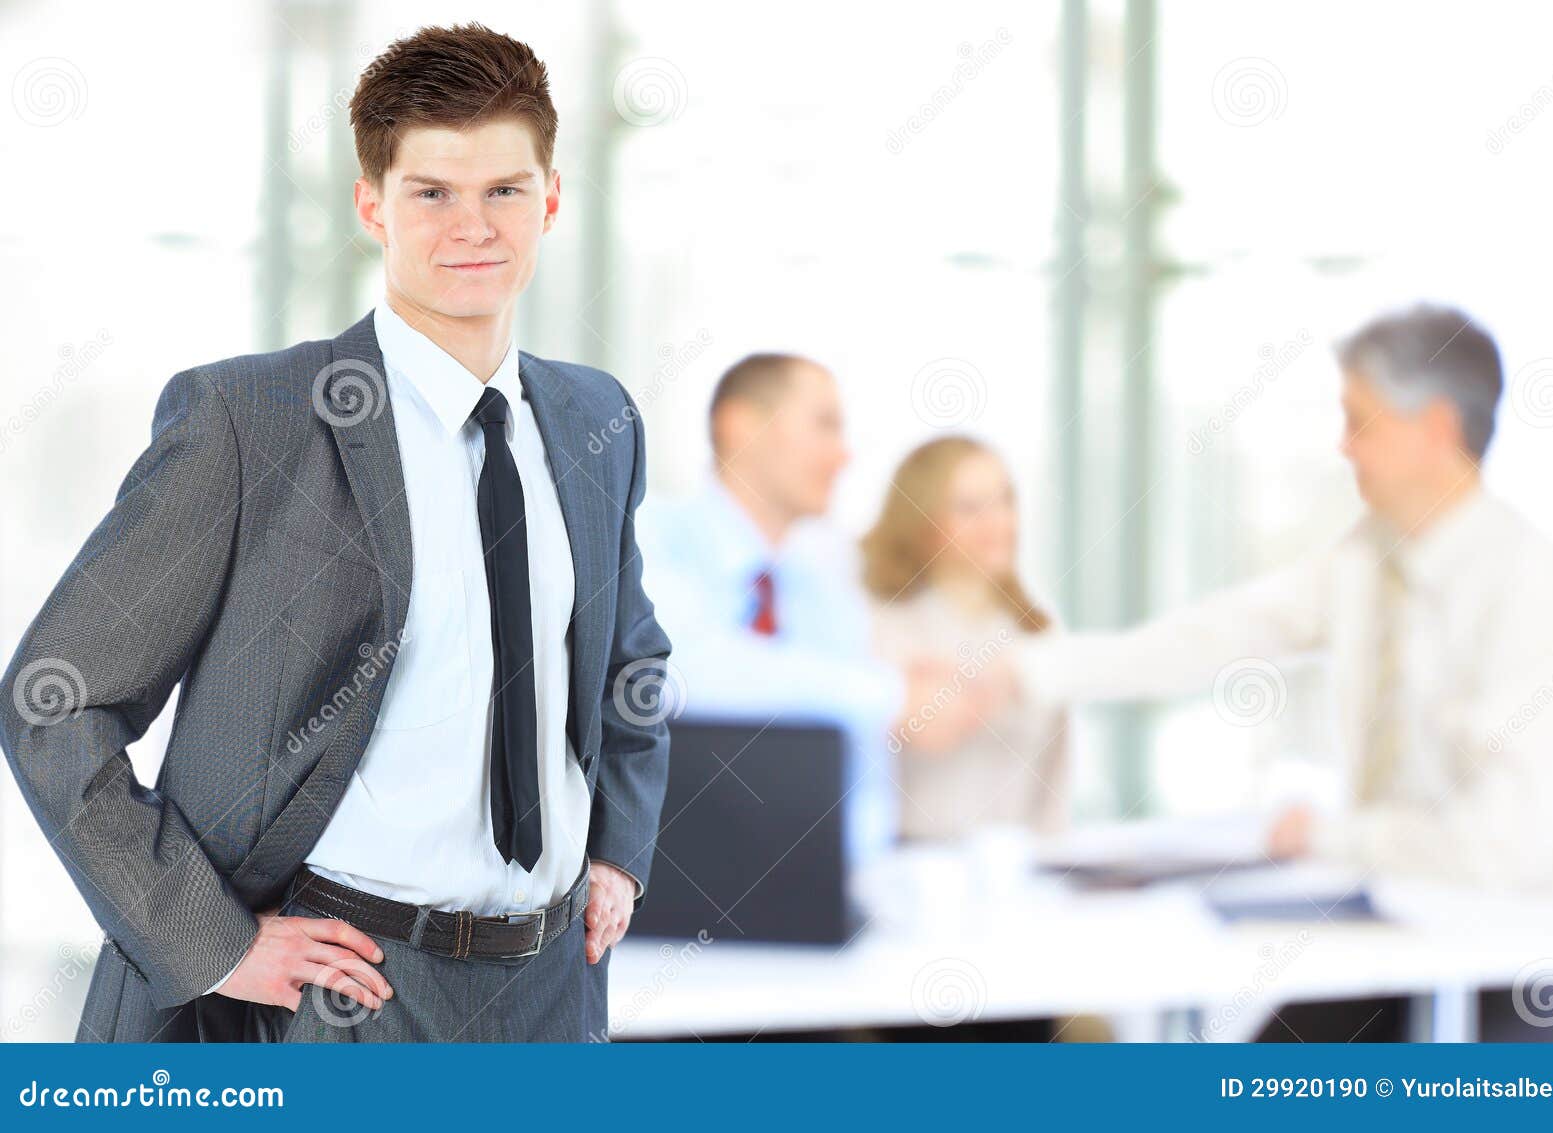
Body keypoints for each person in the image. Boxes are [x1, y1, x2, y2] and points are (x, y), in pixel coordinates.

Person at [0, 23, 671, 1043]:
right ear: (372, 204)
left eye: (504, 189)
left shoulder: (594, 420)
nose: (473, 227)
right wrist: (216, 940)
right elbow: (56, 698)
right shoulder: (252, 420)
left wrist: (618, 845)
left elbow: (630, 656)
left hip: (551, 995)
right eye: (431, 192)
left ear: (552, 198)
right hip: (341, 997)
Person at [1014, 303, 1553, 1039]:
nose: (1344, 447)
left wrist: (1327, 837)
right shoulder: (1371, 555)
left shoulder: (1536, 591)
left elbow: (1502, 851)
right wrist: (1029, 673)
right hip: (1404, 928)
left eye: (1362, 422)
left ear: (1437, 430)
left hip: (1533, 962)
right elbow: (1226, 630)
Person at [638, 353, 981, 869]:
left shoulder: (822, 585)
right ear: (740, 426)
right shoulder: (649, 538)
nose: (843, 456)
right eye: (824, 426)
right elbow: (675, 672)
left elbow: (861, 783)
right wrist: (888, 694)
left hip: (813, 900)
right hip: (666, 907)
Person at [862, 436, 1069, 842]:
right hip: (909, 866)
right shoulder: (879, 621)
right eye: (970, 508)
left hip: (1017, 870)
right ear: (922, 521)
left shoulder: (1038, 629)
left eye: (1005, 500)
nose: (998, 523)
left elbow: (1056, 779)